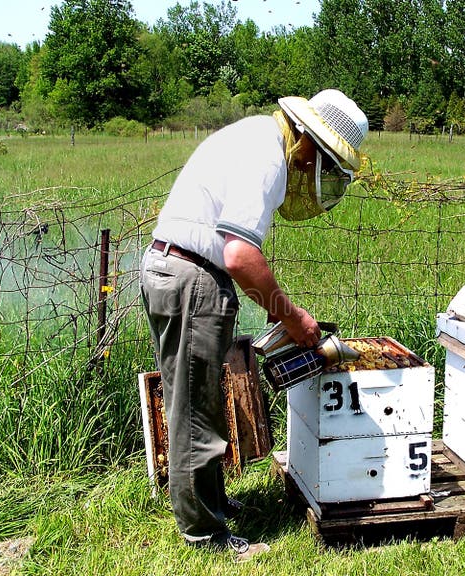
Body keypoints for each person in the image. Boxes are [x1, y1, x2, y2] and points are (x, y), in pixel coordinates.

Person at [139, 89, 368, 561]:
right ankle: (205, 534)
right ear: (307, 140)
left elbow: (235, 254)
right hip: (191, 278)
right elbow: (240, 255)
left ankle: (212, 503)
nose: (310, 171)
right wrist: (290, 314)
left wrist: (271, 302)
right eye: (319, 161)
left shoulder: (258, 138)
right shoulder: (266, 157)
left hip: (181, 272)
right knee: (193, 410)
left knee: (199, 397)